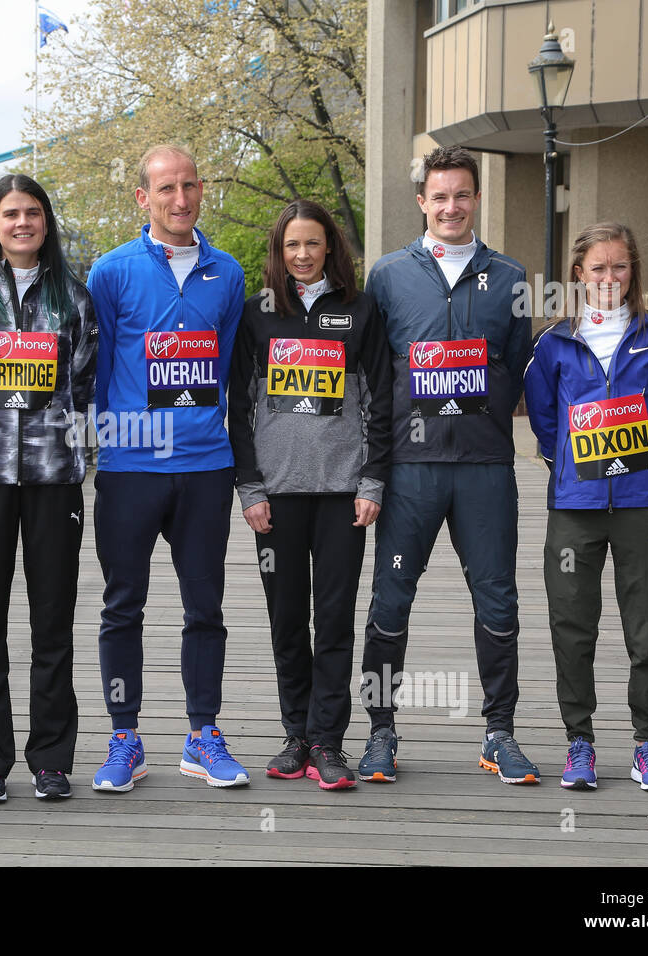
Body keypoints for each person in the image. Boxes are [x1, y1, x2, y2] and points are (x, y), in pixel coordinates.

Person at [358, 145, 539, 785]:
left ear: (476, 198)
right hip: (411, 468)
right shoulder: (387, 275)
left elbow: (516, 366)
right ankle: (381, 734)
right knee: (390, 600)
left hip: (486, 465)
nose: (451, 207)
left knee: (498, 600)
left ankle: (500, 733)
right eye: (439, 196)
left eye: (462, 195)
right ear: (421, 202)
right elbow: (375, 373)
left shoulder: (511, 276)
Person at [86, 144, 248, 791]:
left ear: (201, 191)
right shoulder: (110, 272)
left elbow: (229, 367)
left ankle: (202, 734)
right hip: (129, 468)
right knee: (123, 606)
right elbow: (95, 372)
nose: (179, 200)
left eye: (189, 187)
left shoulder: (228, 274)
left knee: (204, 608)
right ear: (142, 199)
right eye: (166, 189)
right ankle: (124, 736)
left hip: (206, 466)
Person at [0, 174, 96, 802]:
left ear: (46, 223)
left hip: (54, 478)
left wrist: (54, 432)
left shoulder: (74, 299)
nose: (23, 223)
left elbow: (82, 378)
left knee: (52, 620)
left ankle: (52, 759)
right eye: (10, 214)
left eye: (33, 213)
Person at [228, 200, 392, 790]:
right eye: (292, 246)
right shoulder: (256, 316)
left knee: (336, 620)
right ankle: (294, 733)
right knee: (287, 620)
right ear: (279, 252)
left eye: (313, 244)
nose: (302, 255)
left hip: (343, 495)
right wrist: (249, 488)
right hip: (276, 496)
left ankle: (328, 742)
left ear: (330, 249)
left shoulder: (360, 311)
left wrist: (371, 481)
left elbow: (380, 403)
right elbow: (238, 411)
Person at [524, 222, 648, 792]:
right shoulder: (552, 343)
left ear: (632, 271)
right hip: (575, 504)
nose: (609, 277)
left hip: (642, 503)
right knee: (572, 625)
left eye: (620, 266)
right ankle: (579, 743)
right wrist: (575, 465)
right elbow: (545, 422)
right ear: (579, 274)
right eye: (598, 267)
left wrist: (629, 464)